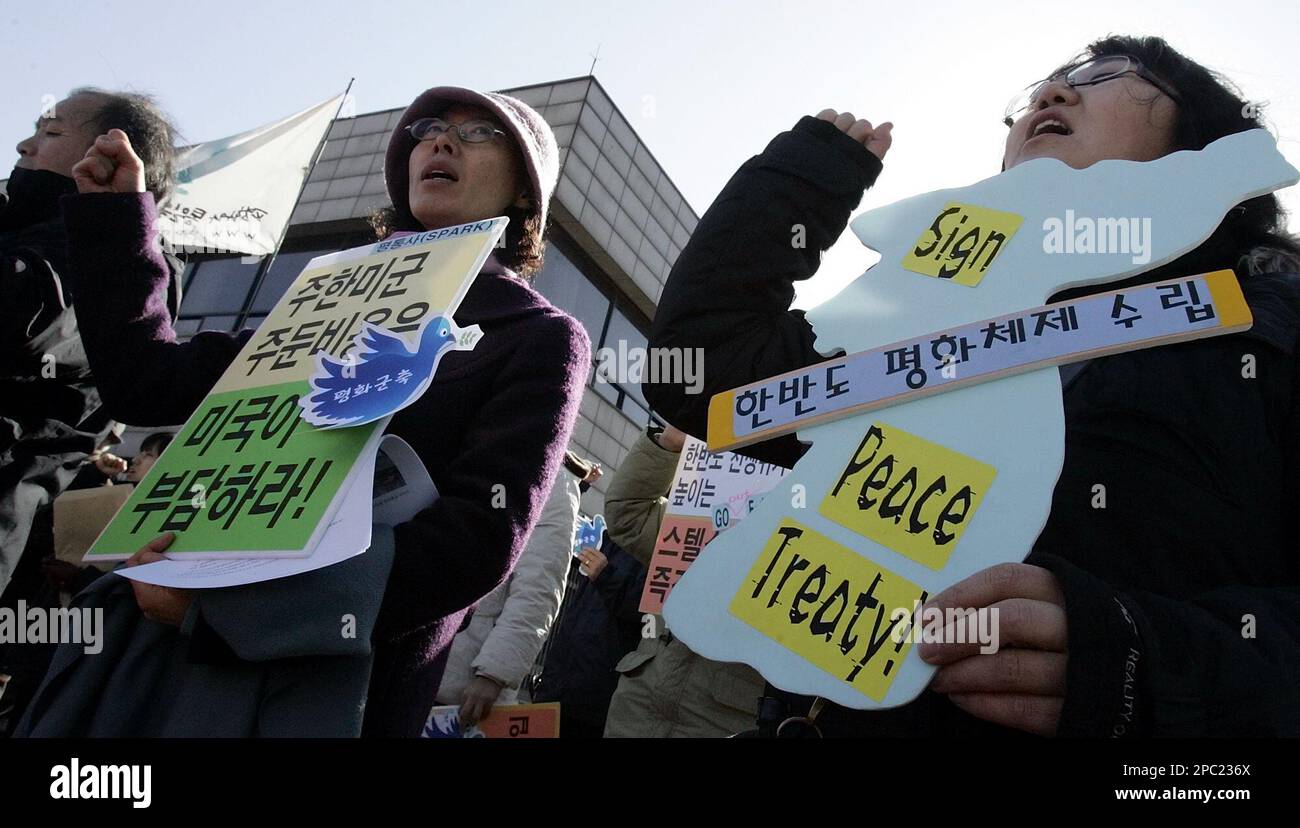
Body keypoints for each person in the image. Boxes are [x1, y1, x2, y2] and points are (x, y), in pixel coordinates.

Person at [644, 35, 1300, 737]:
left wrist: (1139, 661)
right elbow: (707, 373)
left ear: (1197, 135)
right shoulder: (930, 301)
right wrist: (804, 179)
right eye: (1045, 86)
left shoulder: (1271, 330)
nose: (1052, 93)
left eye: (1106, 76)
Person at [18, 86, 591, 737]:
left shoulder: (537, 336)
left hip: (332, 689)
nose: (441, 140)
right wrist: (120, 218)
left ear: (524, 194)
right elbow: (145, 381)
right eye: (430, 127)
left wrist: (232, 609)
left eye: (479, 132)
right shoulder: (327, 302)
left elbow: (475, 543)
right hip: (165, 653)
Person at [0, 88, 179, 598]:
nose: (25, 145)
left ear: (111, 156)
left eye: (52, 131)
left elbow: (28, 317)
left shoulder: (118, 260)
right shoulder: (22, 228)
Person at [601, 422, 767, 737]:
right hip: (636, 709)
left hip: (725, 719)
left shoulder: (814, 542)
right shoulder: (702, 517)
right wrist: (669, 443)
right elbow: (627, 516)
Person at [433, 452, 587, 726]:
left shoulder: (555, 480)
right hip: (402, 652)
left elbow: (538, 588)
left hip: (459, 689)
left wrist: (494, 673)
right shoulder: (462, 445)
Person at [531, 529, 647, 738]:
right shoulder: (609, 536)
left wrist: (607, 577)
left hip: (597, 700)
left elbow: (648, 612)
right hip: (557, 686)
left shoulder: (659, 543)